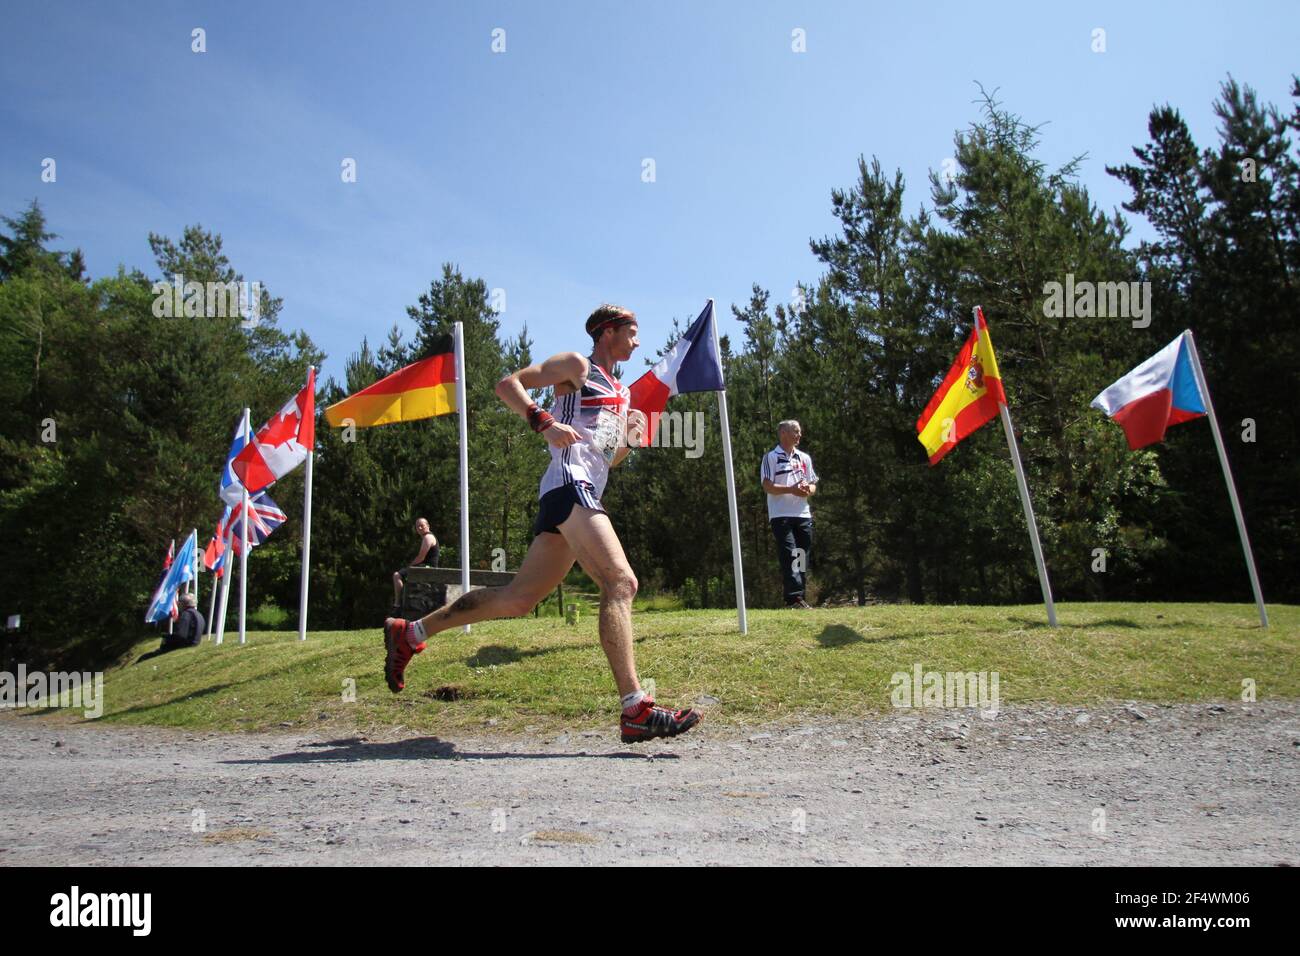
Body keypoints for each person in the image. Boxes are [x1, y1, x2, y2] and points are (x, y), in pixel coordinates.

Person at [382, 304, 701, 744]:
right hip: (570, 484)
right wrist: (543, 421)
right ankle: (635, 708)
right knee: (621, 583)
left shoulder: (621, 393)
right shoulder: (576, 365)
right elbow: (507, 384)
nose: (638, 341)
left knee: (517, 599)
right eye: (632, 331)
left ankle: (410, 632)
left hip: (577, 489)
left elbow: (609, 458)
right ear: (607, 332)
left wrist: (628, 438)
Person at [761, 419, 819, 608]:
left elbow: (812, 484)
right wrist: (791, 490)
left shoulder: (804, 458)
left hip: (802, 513)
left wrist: (807, 490)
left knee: (802, 554)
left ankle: (800, 597)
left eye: (800, 431)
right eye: (796, 431)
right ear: (783, 433)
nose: (799, 435)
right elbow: (767, 486)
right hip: (781, 514)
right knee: (790, 554)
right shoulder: (770, 457)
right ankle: (793, 598)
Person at [137, 592, 204, 663]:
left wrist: (168, 637)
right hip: (194, 643)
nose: (178, 605)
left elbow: (181, 635)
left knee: (144, 657)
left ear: (184, 603)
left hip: (186, 644)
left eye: (180, 602)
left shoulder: (186, 614)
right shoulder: (198, 614)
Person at [391, 517, 439, 614]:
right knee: (402, 575)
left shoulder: (428, 537)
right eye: (417, 526)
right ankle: (401, 604)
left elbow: (421, 557)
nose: (420, 528)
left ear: (428, 526)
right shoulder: (427, 537)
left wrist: (410, 566)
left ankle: (397, 605)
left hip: (428, 567)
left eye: (422, 525)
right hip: (426, 566)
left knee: (397, 575)